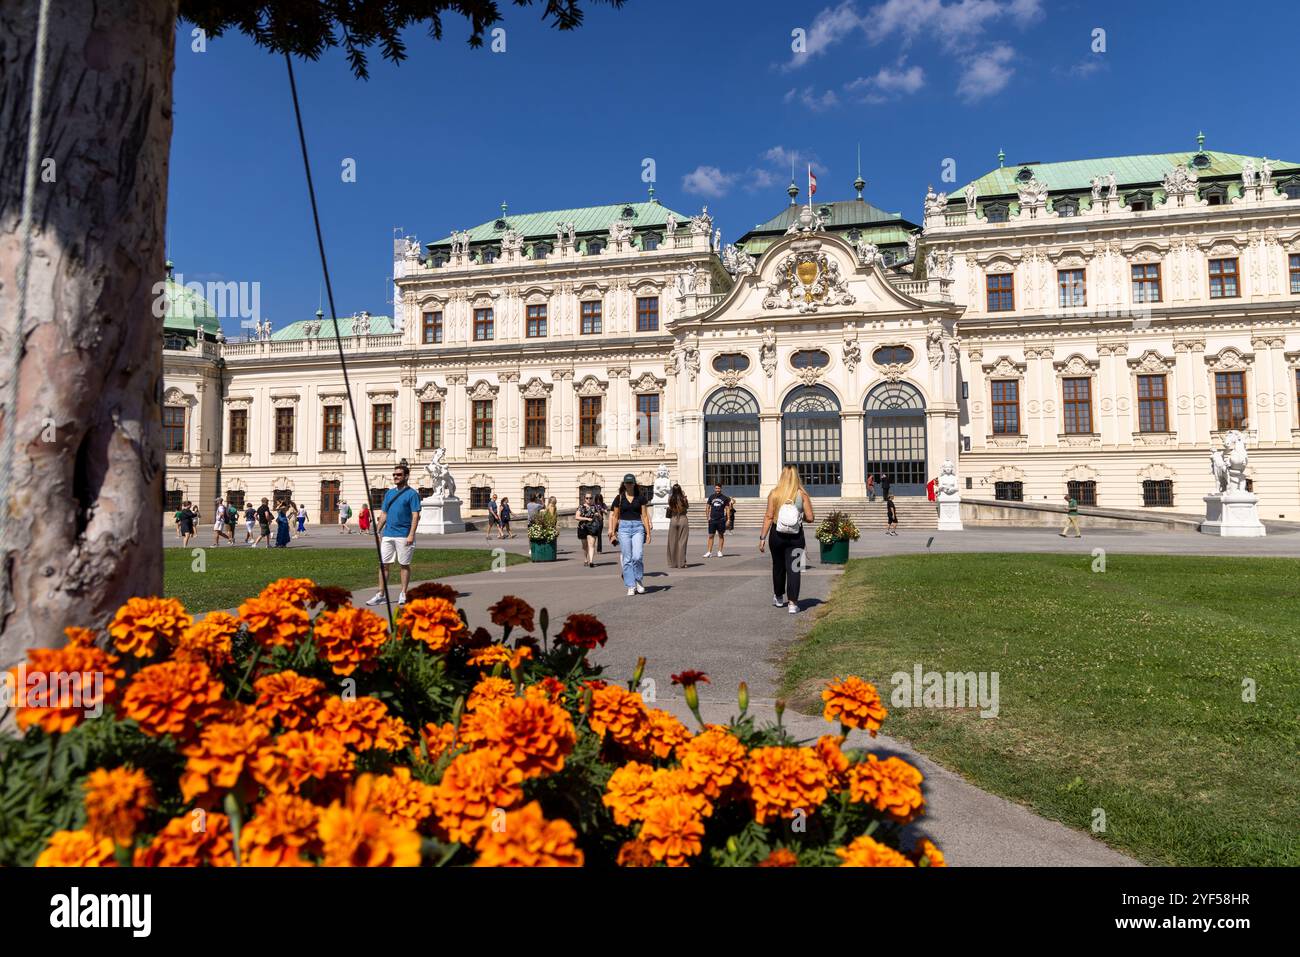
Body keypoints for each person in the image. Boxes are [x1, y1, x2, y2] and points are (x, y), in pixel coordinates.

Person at [759, 465, 815, 614]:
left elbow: (769, 516)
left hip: (777, 535)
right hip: (796, 536)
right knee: (795, 568)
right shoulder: (802, 494)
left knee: (778, 566)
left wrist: (762, 537)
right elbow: (810, 517)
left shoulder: (774, 493)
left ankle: (778, 596)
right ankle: (792, 603)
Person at [365, 463, 423, 607]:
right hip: (388, 534)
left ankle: (403, 592)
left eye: (399, 475)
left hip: (404, 534)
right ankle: (380, 594)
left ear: (406, 476)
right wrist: (378, 530)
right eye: (394, 475)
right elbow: (384, 514)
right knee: (383, 564)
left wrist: (411, 534)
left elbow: (415, 516)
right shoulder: (389, 493)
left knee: (404, 564)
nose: (396, 477)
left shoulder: (412, 494)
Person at [608, 473, 651, 596]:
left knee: (637, 556)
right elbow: (615, 516)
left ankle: (638, 579)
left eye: (631, 483)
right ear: (624, 484)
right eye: (627, 483)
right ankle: (630, 585)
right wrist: (613, 531)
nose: (629, 485)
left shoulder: (640, 497)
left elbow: (644, 516)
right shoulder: (619, 498)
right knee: (627, 558)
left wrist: (648, 533)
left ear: (634, 484)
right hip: (624, 528)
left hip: (638, 527)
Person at [703, 483, 733, 558]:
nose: (717, 490)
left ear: (721, 489)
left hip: (721, 519)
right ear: (714, 489)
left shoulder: (724, 498)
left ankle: (719, 551)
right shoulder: (711, 497)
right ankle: (709, 552)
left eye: (718, 488)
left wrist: (728, 519)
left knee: (721, 535)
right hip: (712, 519)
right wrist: (708, 517)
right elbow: (707, 507)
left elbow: (727, 509)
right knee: (711, 536)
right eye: (716, 488)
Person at [666, 484, 690, 569]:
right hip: (683, 518)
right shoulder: (683, 498)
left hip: (673, 519)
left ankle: (673, 563)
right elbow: (687, 507)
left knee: (672, 542)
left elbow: (670, 507)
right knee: (682, 542)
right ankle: (682, 563)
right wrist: (684, 497)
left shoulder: (670, 499)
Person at [576, 491, 600, 567]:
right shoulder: (581, 507)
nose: (589, 499)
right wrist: (586, 519)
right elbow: (577, 517)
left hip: (592, 527)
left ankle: (591, 561)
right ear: (584, 499)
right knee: (585, 546)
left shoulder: (595, 507)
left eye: (590, 498)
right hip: (583, 527)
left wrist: (598, 514)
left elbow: (601, 517)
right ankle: (585, 559)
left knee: (592, 544)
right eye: (587, 498)